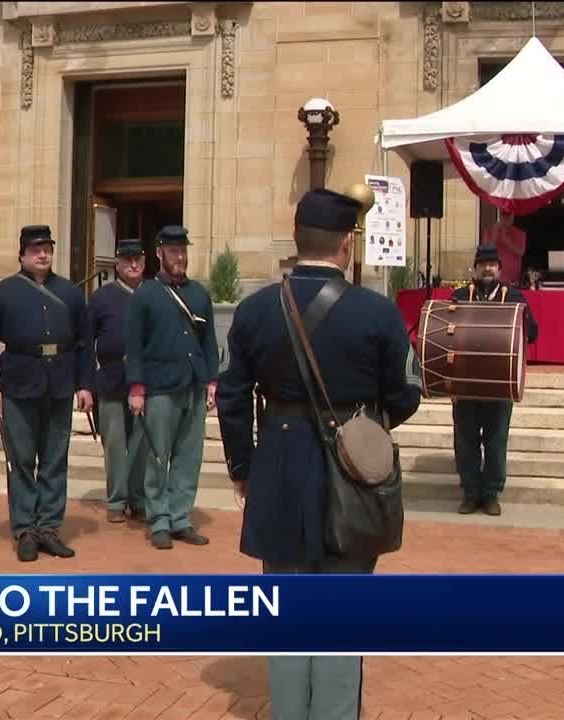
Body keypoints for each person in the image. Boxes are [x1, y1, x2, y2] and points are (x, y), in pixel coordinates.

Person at [215, 188, 422, 720]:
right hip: (353, 476)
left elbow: (232, 396)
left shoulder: (254, 311)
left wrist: (242, 466)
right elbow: (406, 394)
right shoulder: (377, 312)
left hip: (278, 466)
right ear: (348, 243)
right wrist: (362, 434)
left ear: (297, 239)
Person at [0, 225, 94, 562]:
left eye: (47, 249)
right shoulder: (2, 293)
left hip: (60, 385)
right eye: (35, 249)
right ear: (22, 254)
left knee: (55, 460)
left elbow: (85, 343)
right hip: (18, 385)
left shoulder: (70, 293)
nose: (43, 254)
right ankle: (25, 529)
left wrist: (85, 385)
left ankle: (49, 527)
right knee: (22, 461)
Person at [125, 226, 220, 550]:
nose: (180, 257)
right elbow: (134, 346)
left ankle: (180, 518)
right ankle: (159, 520)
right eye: (173, 251)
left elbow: (209, 342)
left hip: (193, 385)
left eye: (183, 251)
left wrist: (212, 380)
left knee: (189, 457)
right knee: (157, 456)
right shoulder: (145, 295)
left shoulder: (199, 295)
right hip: (159, 388)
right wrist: (137, 388)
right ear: (159, 253)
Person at [450, 243, 538, 516]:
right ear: (475, 268)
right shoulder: (460, 296)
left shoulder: (514, 297)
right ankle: (470, 493)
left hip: (499, 383)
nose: (487, 269)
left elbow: (533, 332)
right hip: (466, 382)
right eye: (482, 264)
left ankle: (490, 495)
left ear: (499, 269)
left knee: (496, 441)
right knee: (465, 440)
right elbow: (447, 333)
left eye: (492, 265)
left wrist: (522, 324)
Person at [90, 239, 148, 524]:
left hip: (146, 383)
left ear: (145, 261)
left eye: (137, 259)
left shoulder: (153, 294)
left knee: (141, 445)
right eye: (127, 260)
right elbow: (86, 341)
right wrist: (86, 383)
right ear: (117, 263)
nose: (133, 265)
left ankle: (138, 499)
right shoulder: (101, 298)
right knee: (114, 444)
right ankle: (116, 500)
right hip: (111, 380)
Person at [482, 209, 527, 286]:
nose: (506, 218)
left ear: (513, 216)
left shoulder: (519, 233)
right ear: (499, 215)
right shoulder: (489, 232)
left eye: (509, 215)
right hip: (492, 279)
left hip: (512, 280)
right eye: (504, 215)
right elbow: (484, 253)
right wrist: (494, 238)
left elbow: (521, 252)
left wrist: (506, 240)